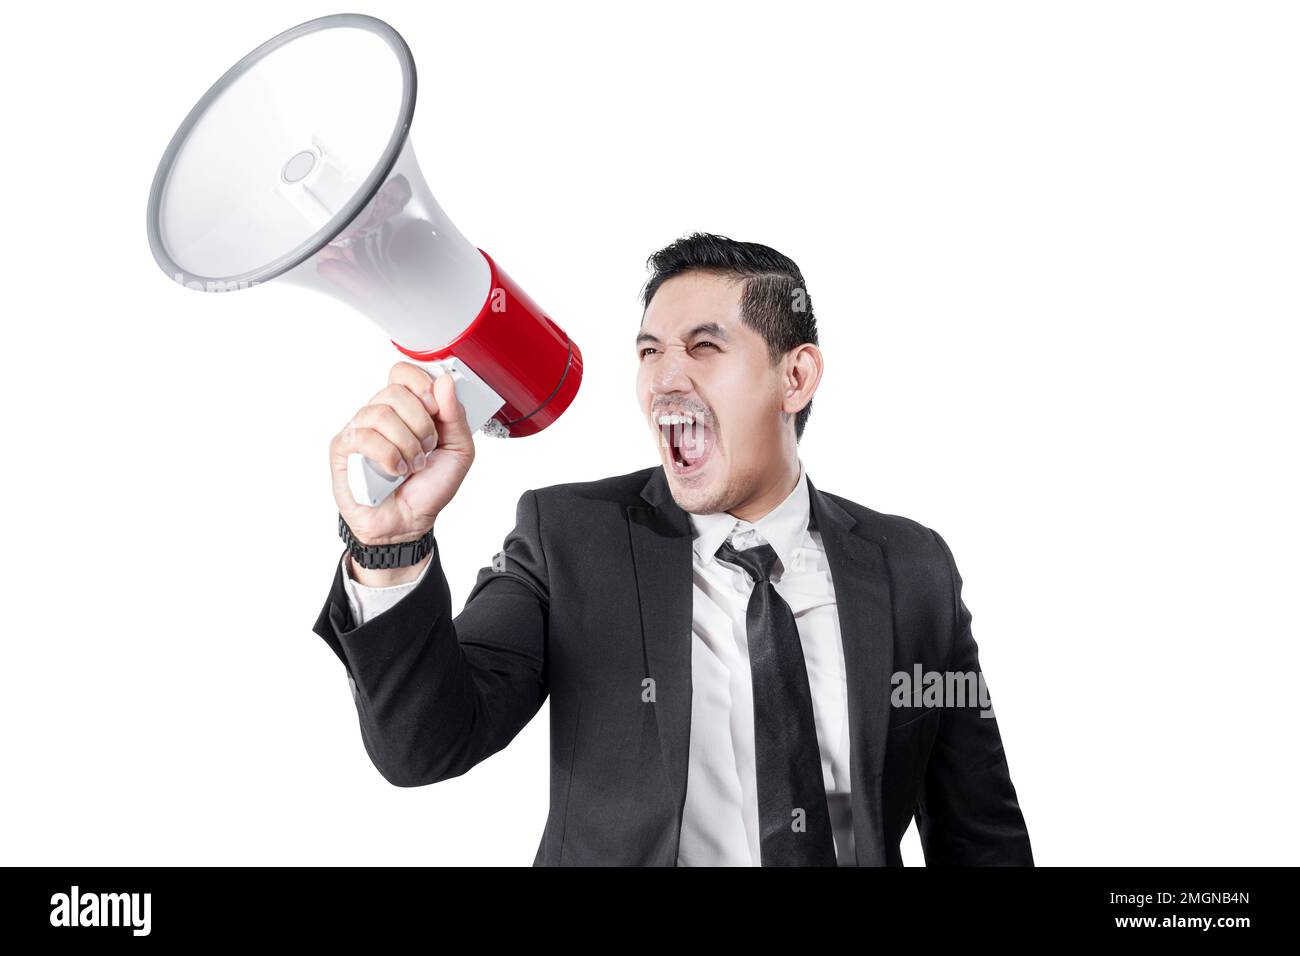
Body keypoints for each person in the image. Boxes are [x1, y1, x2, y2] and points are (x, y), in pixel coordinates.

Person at [310, 232, 1033, 866]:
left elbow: (980, 835)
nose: (662, 378)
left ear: (795, 376)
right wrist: (390, 546)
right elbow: (425, 744)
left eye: (705, 347)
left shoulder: (914, 569)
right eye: (650, 351)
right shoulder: (568, 537)